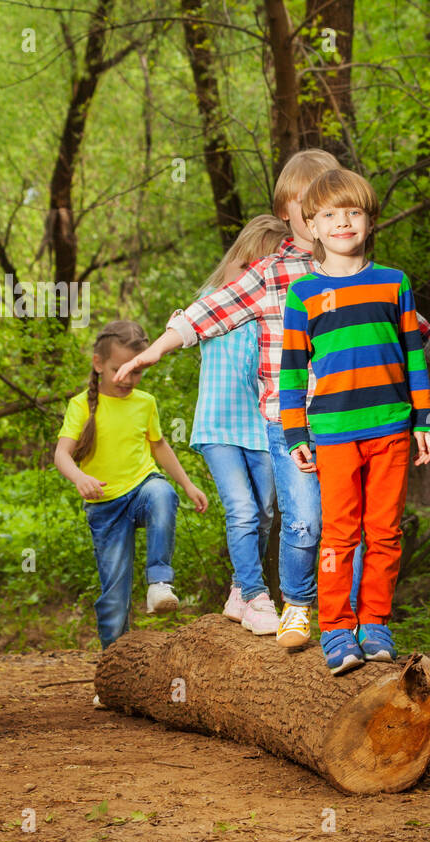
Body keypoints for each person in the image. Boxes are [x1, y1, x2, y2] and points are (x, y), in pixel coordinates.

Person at [114, 149, 430, 650]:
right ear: (294, 213)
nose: (328, 219)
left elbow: (414, 331)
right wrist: (154, 350)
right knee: (309, 522)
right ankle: (298, 603)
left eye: (340, 207)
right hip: (292, 425)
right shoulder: (271, 271)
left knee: (359, 527)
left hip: (359, 421)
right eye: (311, 207)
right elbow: (209, 312)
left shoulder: (367, 273)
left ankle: (359, 621)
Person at [281, 168, 430, 674]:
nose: (343, 222)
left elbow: (414, 354)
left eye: (353, 212)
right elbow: (291, 370)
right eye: (330, 215)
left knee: (385, 531)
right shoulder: (303, 294)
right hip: (333, 433)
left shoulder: (393, 283)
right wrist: (294, 432)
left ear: (369, 221)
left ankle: (375, 623)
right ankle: (337, 630)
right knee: (339, 534)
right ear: (312, 225)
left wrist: (424, 420)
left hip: (391, 427)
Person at [53, 320, 209, 656]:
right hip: (105, 506)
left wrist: (188, 484)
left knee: (162, 493)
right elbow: (61, 455)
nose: (128, 379)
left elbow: (160, 447)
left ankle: (158, 582)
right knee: (114, 593)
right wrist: (80, 478)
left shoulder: (145, 402)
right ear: (98, 364)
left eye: (136, 371)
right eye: (118, 370)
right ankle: (114, 666)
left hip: (141, 490)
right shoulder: (81, 405)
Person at [190, 214, 289, 636]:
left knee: (266, 510)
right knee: (243, 509)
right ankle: (255, 593)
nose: (257, 276)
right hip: (218, 426)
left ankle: (237, 590)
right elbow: (186, 325)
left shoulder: (273, 311)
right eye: (251, 265)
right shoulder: (213, 301)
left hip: (261, 424)